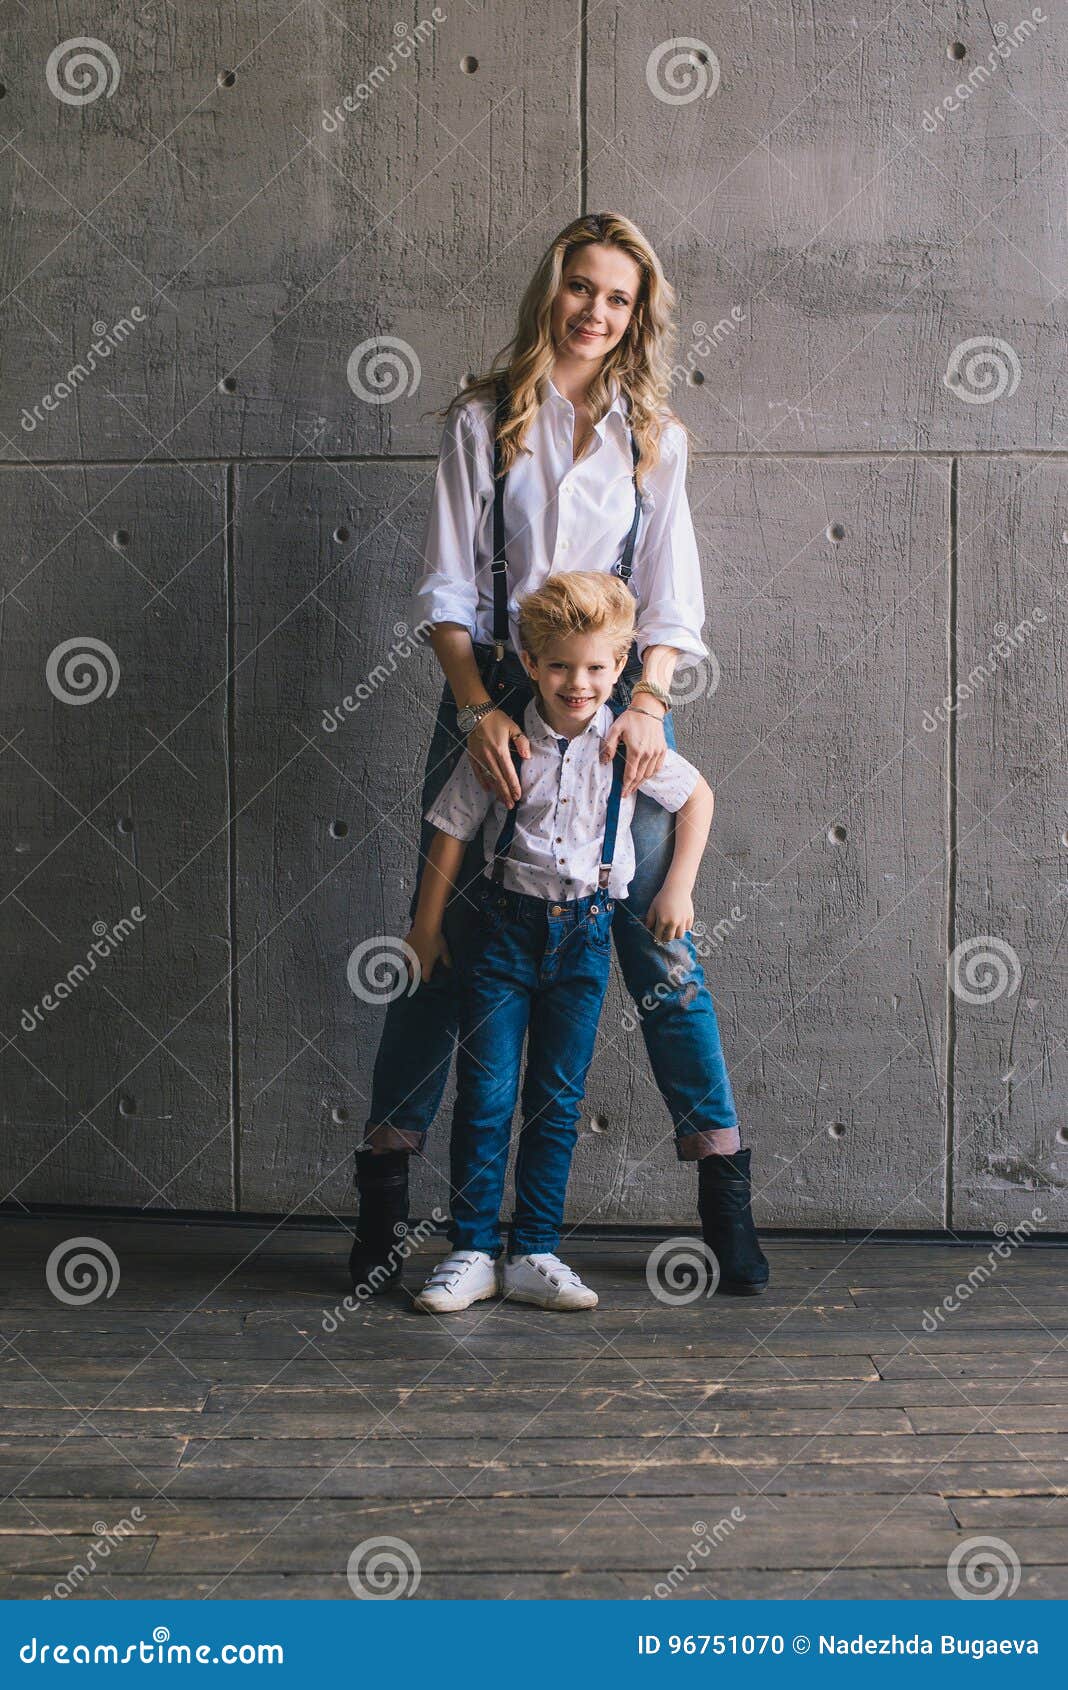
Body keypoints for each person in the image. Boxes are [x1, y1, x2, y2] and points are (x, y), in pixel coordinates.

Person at [348, 210, 769, 1301]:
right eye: (583, 286)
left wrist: (650, 702)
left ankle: (724, 1194)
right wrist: (477, 709)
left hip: (617, 699)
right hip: (489, 694)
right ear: (553, 289)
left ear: (638, 313)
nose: (596, 310)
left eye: (619, 297)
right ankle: (385, 1202)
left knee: (659, 942)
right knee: (444, 945)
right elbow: (447, 590)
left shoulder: (655, 437)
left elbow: (671, 599)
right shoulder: (484, 420)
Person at [406, 573, 713, 1313]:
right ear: (531, 663)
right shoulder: (504, 743)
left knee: (556, 1099)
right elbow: (450, 831)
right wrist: (424, 927)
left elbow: (698, 797)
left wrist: (677, 889)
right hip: (501, 938)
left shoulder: (627, 744)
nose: (579, 683)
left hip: (586, 939)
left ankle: (535, 1250)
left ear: (622, 665)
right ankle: (472, 1251)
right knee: (486, 1093)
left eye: (597, 667)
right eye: (560, 667)